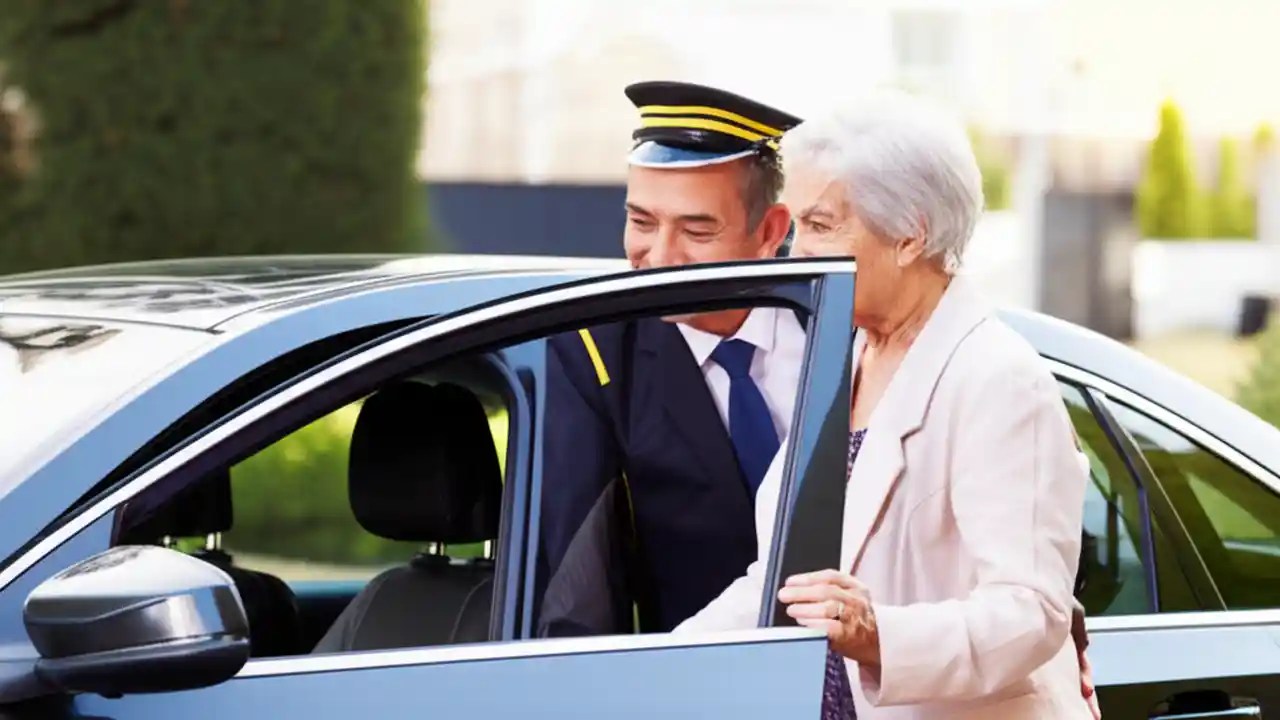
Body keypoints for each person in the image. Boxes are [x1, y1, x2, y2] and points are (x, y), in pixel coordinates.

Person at [678, 92, 1099, 719]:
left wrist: (880, 635)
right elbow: (786, 587)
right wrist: (656, 663)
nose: (797, 252)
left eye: (821, 226)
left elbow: (1030, 610)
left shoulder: (998, 378)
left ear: (910, 236)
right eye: (799, 228)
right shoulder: (848, 360)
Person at [536, 81, 804, 635]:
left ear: (771, 232)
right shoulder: (596, 353)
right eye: (641, 222)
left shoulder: (845, 331)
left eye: (697, 229)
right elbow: (576, 584)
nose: (659, 258)